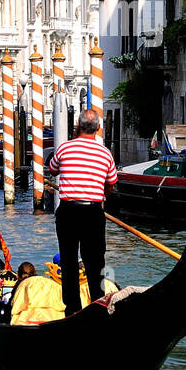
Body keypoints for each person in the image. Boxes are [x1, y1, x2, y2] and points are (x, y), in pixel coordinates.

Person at [47, 109, 117, 316]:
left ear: (78, 126)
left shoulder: (65, 149)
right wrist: (100, 193)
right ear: (98, 128)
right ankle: (98, 305)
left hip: (68, 211)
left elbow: (53, 169)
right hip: (93, 212)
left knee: (68, 261)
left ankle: (72, 310)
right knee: (96, 261)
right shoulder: (105, 153)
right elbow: (111, 183)